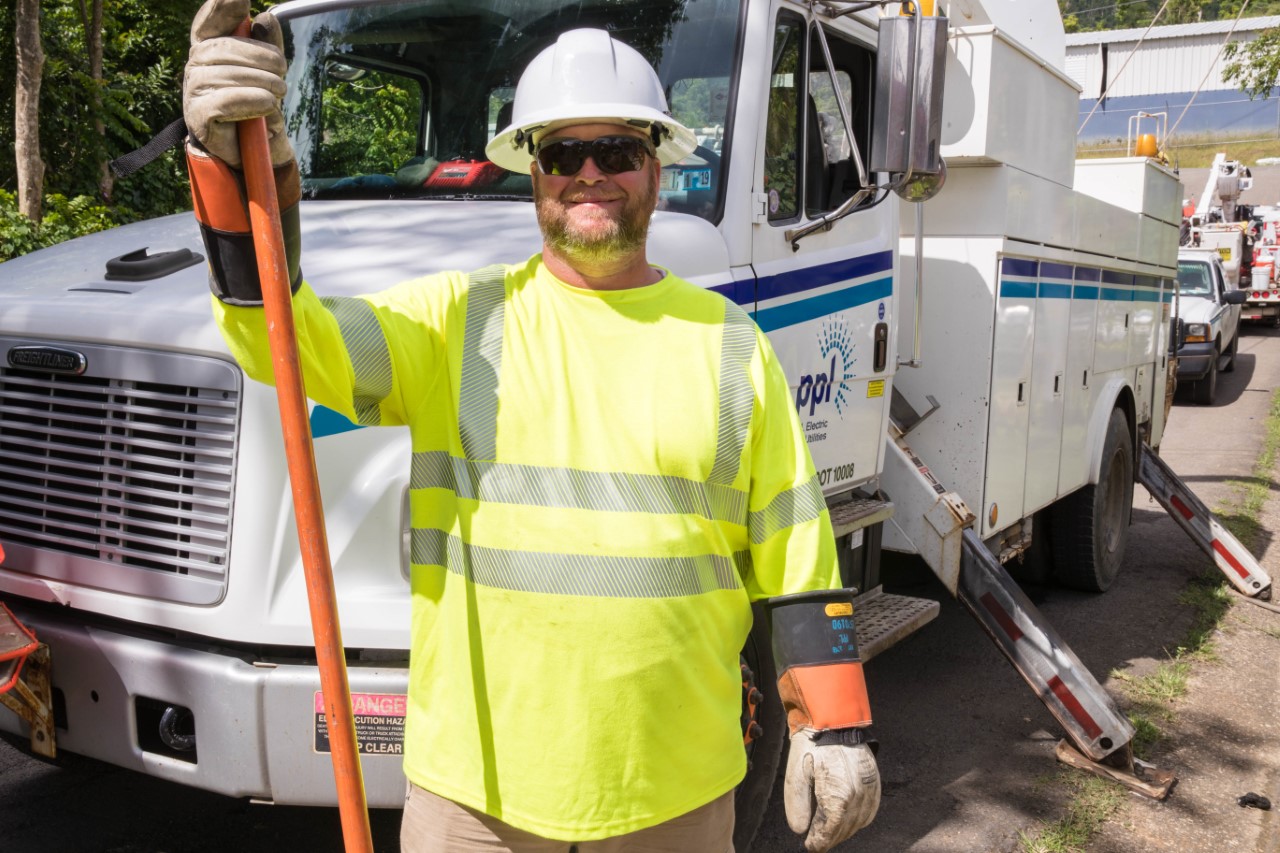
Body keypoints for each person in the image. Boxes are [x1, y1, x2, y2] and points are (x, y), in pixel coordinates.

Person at [182, 1, 880, 850]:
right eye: (563, 152)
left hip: (676, 795)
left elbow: (796, 551)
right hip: (474, 803)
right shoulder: (452, 324)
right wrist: (235, 172)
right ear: (533, 172)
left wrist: (832, 726)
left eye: (617, 150)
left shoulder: (732, 346)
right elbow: (283, 341)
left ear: (655, 167)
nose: (590, 173)